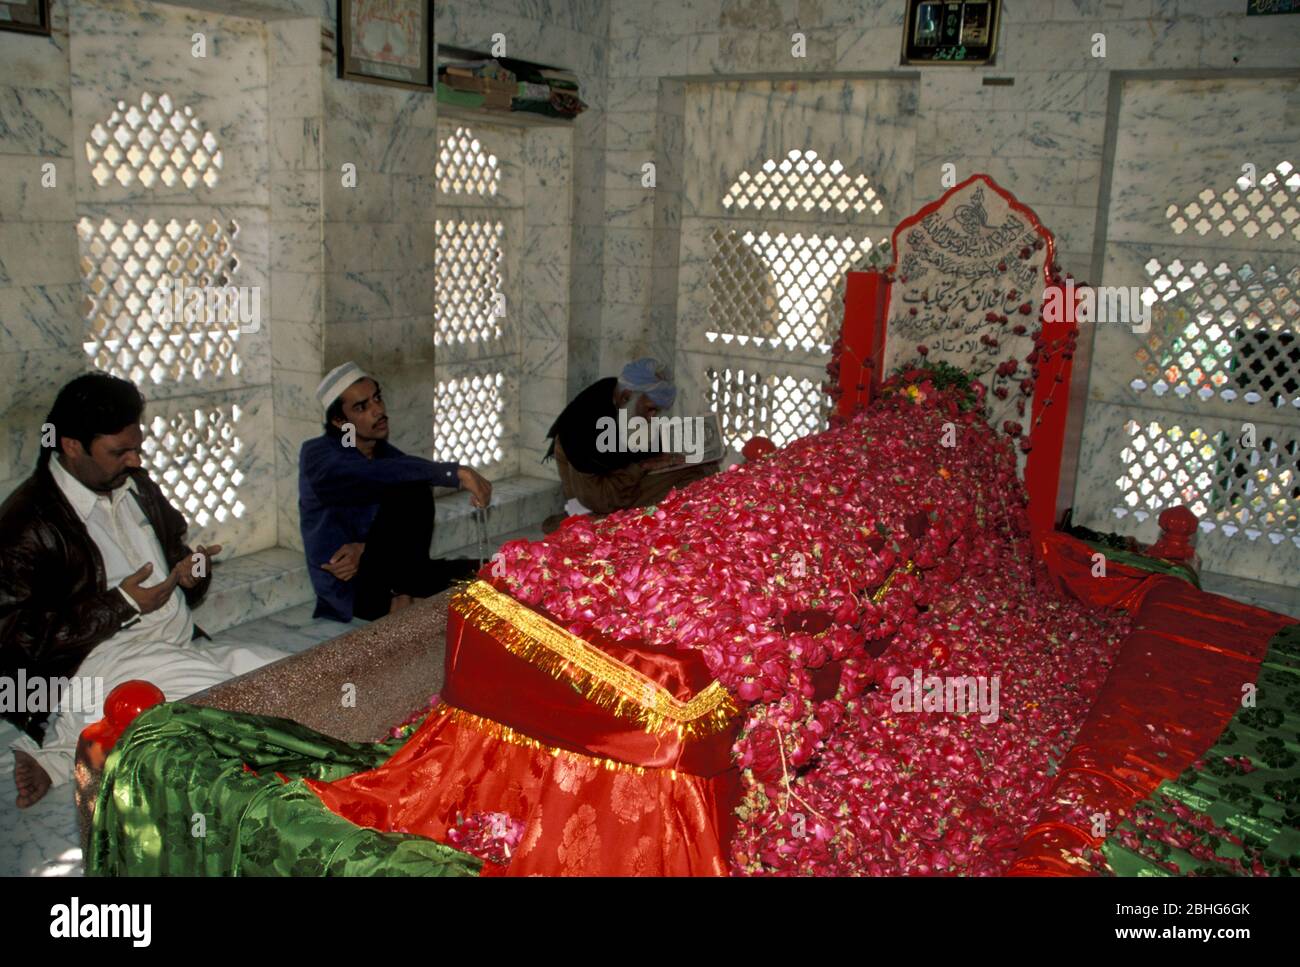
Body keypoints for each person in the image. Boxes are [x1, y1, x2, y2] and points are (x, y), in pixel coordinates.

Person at [0, 373, 279, 807]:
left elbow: (177, 555)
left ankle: (67, 752)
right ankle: (68, 746)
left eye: (137, 447)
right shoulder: (26, 524)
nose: (133, 460)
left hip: (180, 646)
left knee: (290, 679)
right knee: (235, 709)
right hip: (102, 662)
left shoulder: (135, 485)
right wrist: (122, 604)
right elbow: (14, 640)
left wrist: (194, 569)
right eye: (119, 451)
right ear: (71, 445)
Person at [299, 362, 493, 623]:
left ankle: (410, 592)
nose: (377, 410)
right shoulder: (319, 455)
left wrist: (365, 549)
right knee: (411, 484)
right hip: (355, 590)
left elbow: (394, 531)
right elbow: (362, 473)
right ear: (340, 421)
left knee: (493, 572)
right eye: (362, 407)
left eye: (377, 399)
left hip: (399, 572)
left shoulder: (387, 456)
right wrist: (454, 473)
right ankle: (406, 595)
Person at [544, 358, 716, 519]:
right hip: (599, 498)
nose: (652, 417)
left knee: (703, 465)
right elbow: (598, 498)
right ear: (626, 396)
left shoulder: (619, 398)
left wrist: (663, 457)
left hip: (619, 483)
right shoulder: (585, 424)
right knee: (698, 474)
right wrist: (644, 466)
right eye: (650, 409)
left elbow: (636, 449)